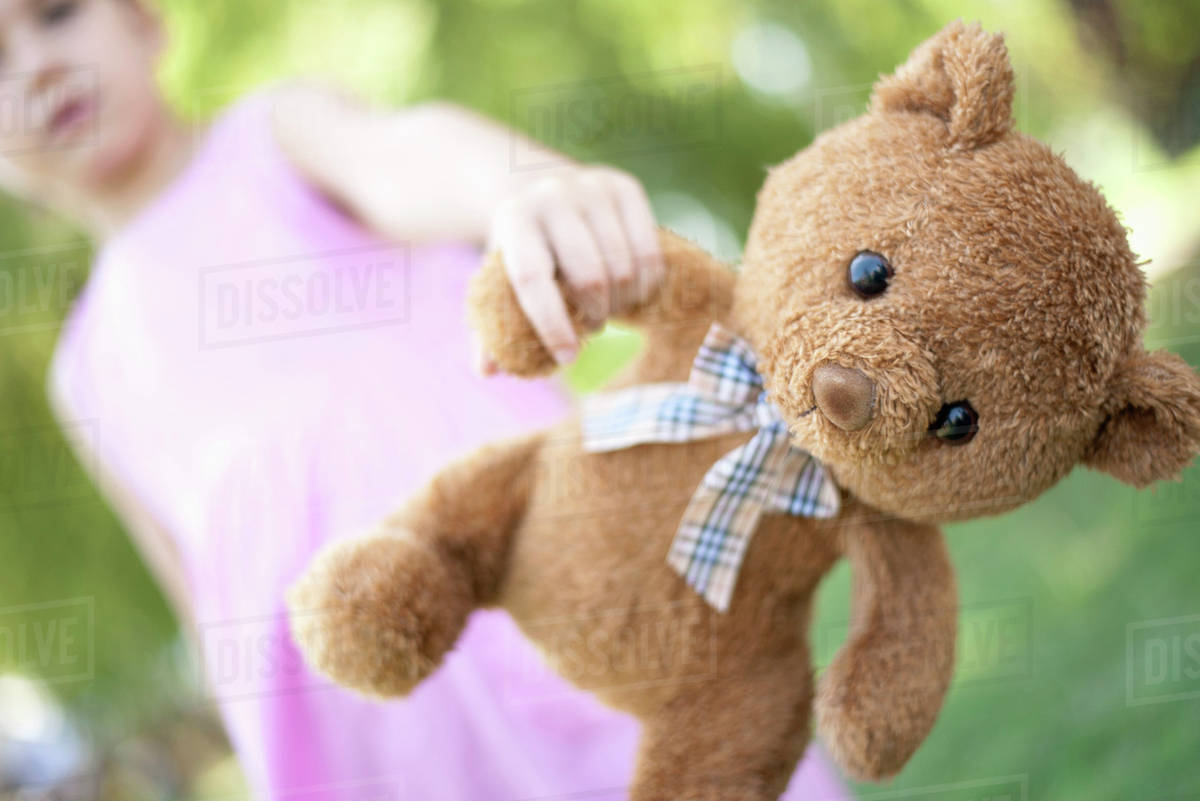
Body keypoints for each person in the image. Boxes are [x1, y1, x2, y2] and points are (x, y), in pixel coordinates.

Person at [0, 0, 850, 797]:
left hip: (545, 604)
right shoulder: (85, 368)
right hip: (379, 743)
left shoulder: (273, 136)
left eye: (57, 13)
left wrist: (515, 195)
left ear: (141, 18)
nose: (37, 69)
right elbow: (193, 582)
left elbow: (406, 154)